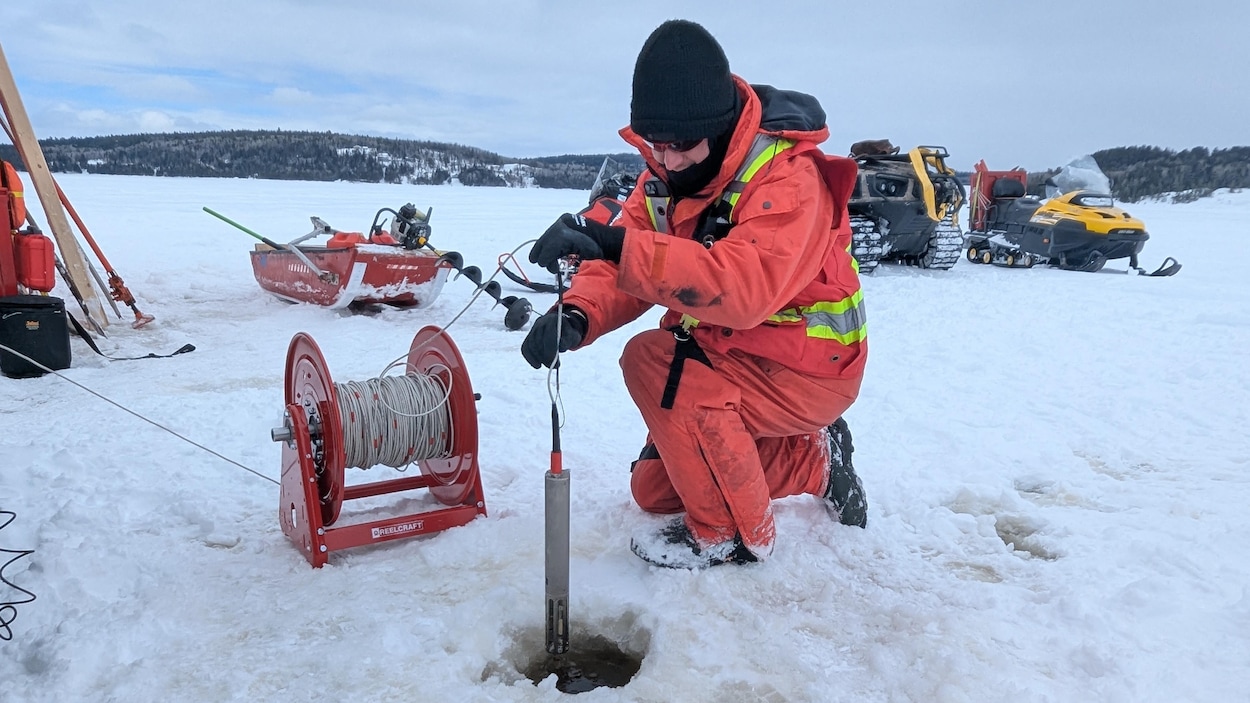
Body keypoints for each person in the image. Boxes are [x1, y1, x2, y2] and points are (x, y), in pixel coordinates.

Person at [521, 19, 868, 569]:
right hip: (728, 355)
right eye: (656, 144)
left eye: (682, 144)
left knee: (652, 361)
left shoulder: (786, 176)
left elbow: (742, 287)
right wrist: (579, 313)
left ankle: (727, 538)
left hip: (807, 369)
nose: (669, 158)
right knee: (654, 488)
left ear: (722, 125)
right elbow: (627, 257)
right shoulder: (662, 172)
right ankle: (815, 461)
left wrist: (612, 245)